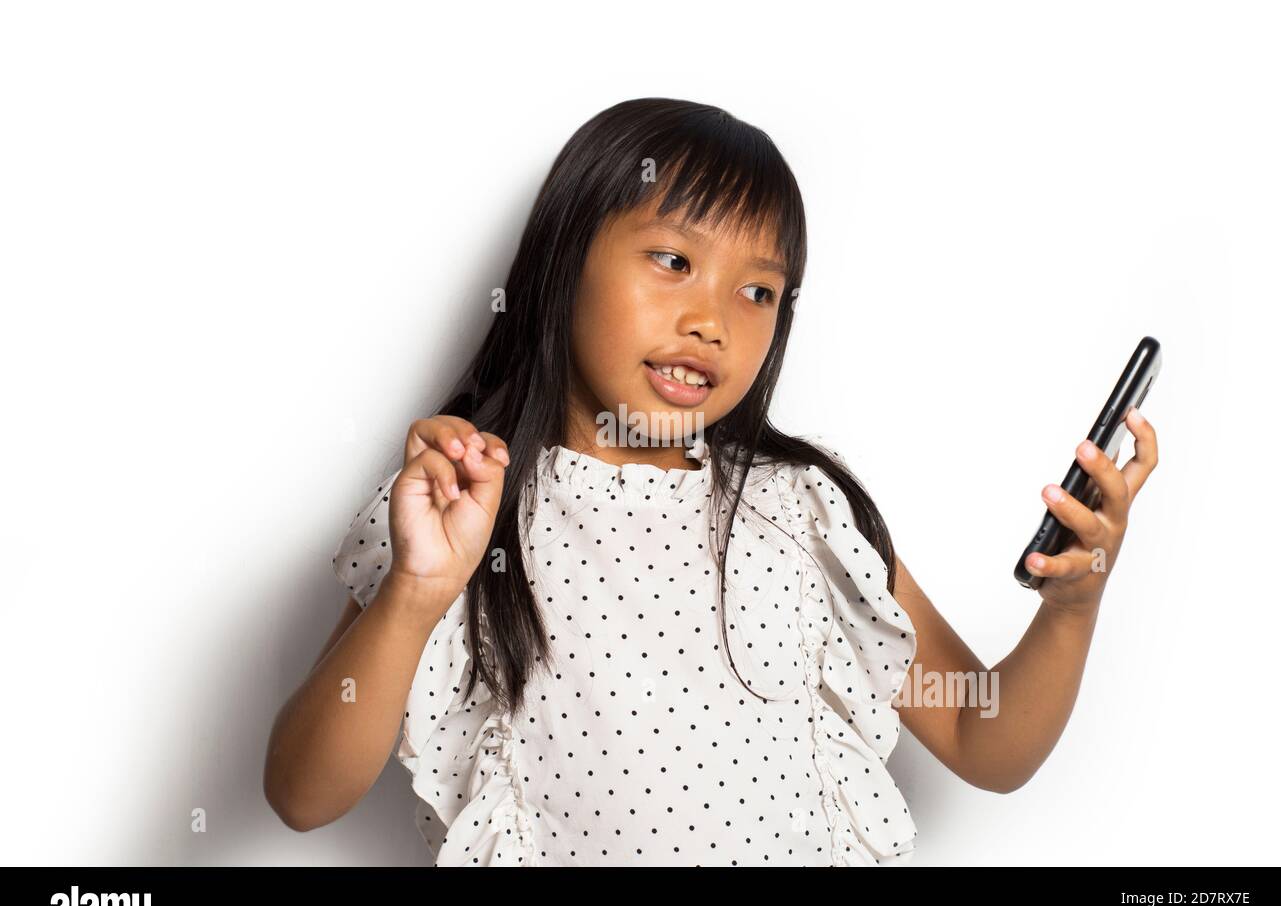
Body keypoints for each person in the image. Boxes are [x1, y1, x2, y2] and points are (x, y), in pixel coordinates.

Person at [264, 97, 1159, 866]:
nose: (713, 321)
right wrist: (419, 590)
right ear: (564, 257)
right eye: (674, 261)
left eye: (759, 291)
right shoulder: (461, 505)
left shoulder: (802, 508)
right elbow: (303, 795)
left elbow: (982, 737)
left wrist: (1073, 604)